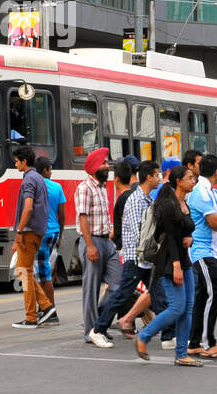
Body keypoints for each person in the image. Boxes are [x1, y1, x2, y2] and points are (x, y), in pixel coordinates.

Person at [135, 166, 201, 366]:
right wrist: (176, 266)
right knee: (177, 307)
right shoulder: (168, 205)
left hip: (184, 260)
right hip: (170, 262)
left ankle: (181, 354)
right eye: (190, 178)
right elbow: (170, 238)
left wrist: (189, 238)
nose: (193, 181)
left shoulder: (183, 202)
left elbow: (183, 231)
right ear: (178, 181)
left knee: (187, 308)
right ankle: (143, 337)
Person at [91, 161, 160, 347]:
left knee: (158, 293)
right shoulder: (137, 201)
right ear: (148, 178)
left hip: (143, 258)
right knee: (122, 294)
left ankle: (171, 332)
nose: (159, 179)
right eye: (156, 175)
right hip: (135, 257)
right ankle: (98, 330)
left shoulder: (148, 200)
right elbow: (141, 232)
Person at [187, 154, 217, 359]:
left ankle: (194, 342)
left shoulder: (214, 193)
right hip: (201, 251)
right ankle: (208, 343)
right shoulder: (201, 192)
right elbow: (216, 222)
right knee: (215, 294)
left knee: (203, 296)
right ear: (216, 172)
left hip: (213, 250)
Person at [76, 147, 119, 343]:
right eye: (104, 163)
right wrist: (90, 245)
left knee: (119, 285)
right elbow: (82, 218)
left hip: (106, 241)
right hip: (92, 241)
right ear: (95, 167)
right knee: (91, 290)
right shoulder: (85, 188)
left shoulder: (102, 187)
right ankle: (91, 332)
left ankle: (99, 322)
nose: (107, 166)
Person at [10, 146, 56, 329]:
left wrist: (19, 231)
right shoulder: (39, 178)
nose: (15, 164)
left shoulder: (28, 180)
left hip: (28, 232)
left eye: (16, 161)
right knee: (25, 270)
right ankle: (46, 306)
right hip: (38, 231)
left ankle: (31, 317)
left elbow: (28, 207)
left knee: (24, 272)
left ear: (24, 162)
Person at [35, 155, 66, 319]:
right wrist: (60, 235)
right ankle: (45, 307)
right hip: (53, 233)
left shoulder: (34, 187)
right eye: (50, 169)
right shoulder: (57, 187)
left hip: (41, 234)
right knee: (45, 270)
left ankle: (49, 310)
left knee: (42, 275)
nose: (51, 172)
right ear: (45, 170)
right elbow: (62, 215)